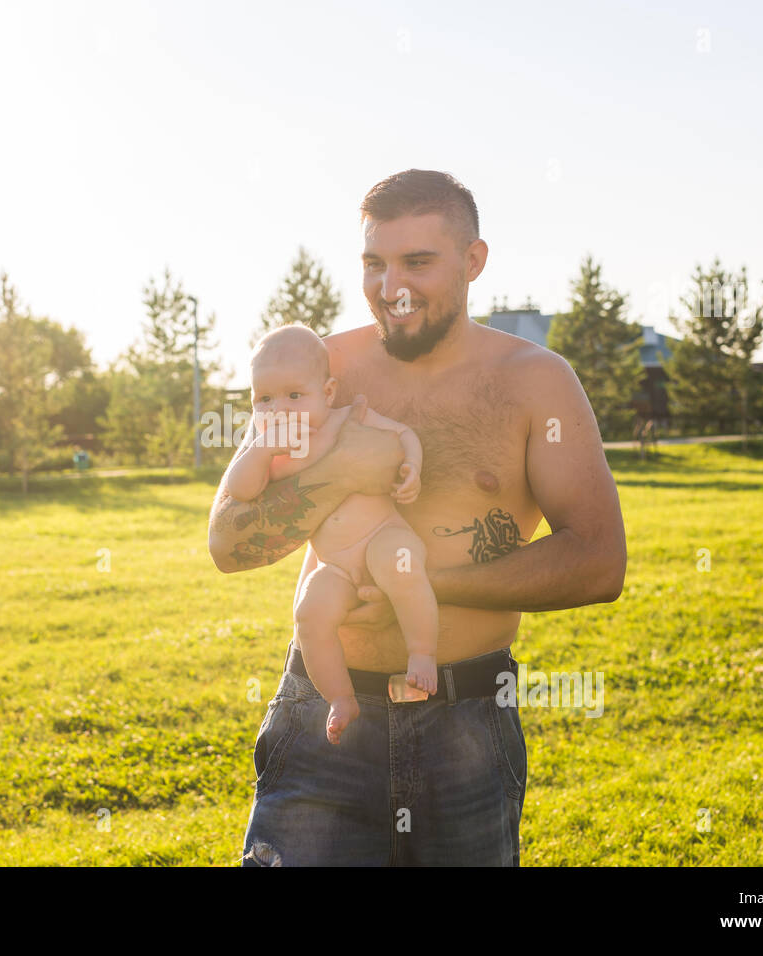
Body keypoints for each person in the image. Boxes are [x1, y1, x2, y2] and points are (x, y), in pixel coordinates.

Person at [207, 168, 627, 866]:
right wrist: (342, 470)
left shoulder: (535, 381)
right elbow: (228, 542)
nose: (390, 285)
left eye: (418, 261)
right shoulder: (318, 370)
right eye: (374, 262)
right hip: (324, 715)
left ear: (473, 262)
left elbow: (597, 561)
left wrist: (417, 580)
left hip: (464, 724)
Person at [225, 323, 438, 745]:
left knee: (401, 566)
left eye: (294, 396)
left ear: (327, 393)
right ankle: (340, 698)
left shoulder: (350, 418)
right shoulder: (274, 452)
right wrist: (261, 450)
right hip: (336, 564)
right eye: (264, 400)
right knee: (309, 613)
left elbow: (403, 434)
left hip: (382, 534)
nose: (279, 409)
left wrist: (412, 466)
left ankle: (422, 652)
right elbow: (240, 490)